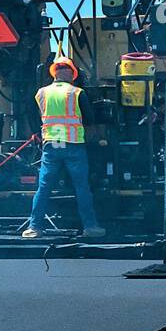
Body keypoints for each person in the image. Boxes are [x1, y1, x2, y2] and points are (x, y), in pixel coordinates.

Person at [26, 57, 105, 239]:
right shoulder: (77, 93)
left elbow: (31, 116)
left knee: (44, 186)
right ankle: (90, 227)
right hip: (73, 145)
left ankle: (34, 227)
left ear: (54, 73)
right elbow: (90, 119)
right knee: (81, 187)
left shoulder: (41, 93)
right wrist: (97, 137)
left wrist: (37, 133)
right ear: (71, 73)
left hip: (53, 144)